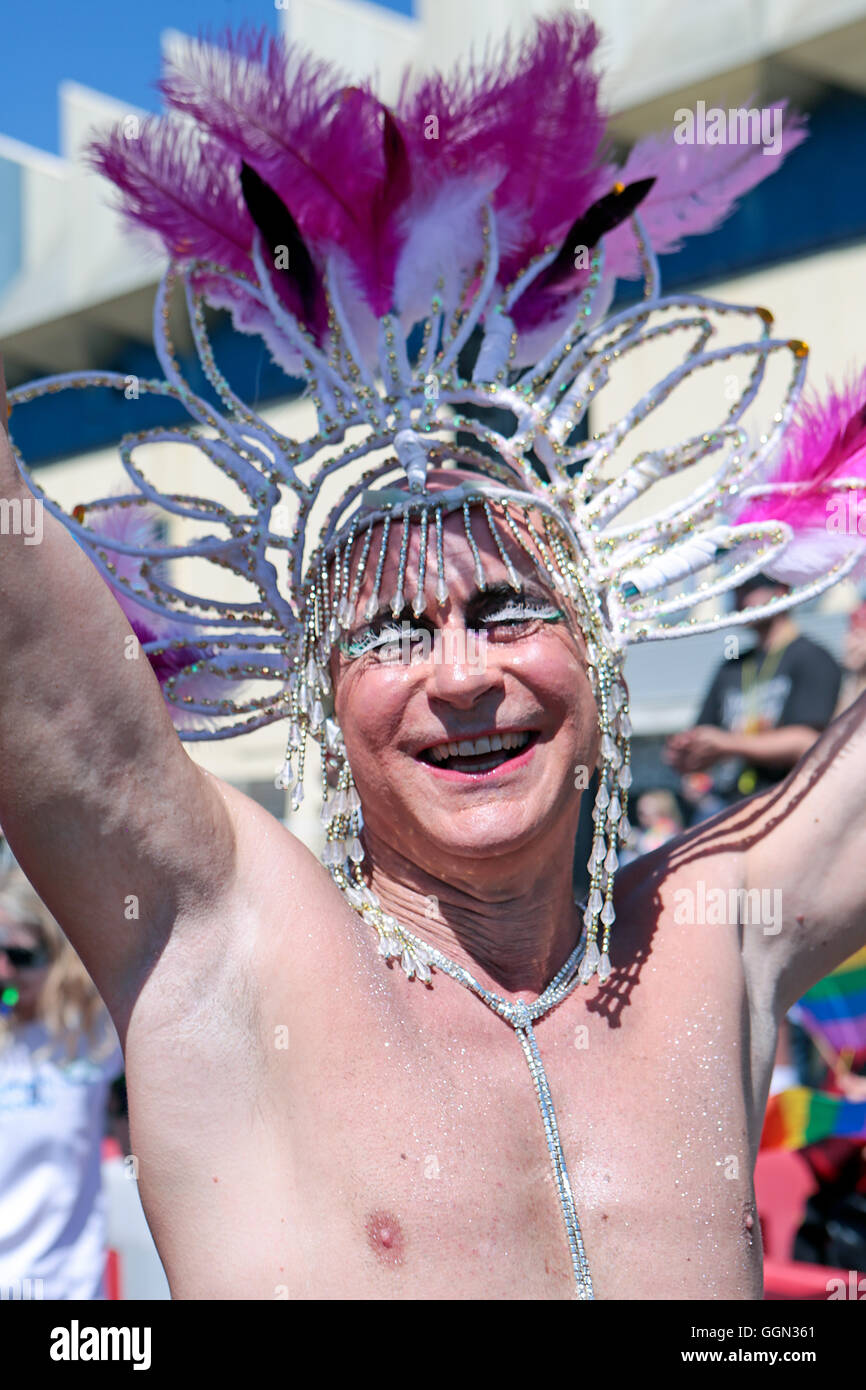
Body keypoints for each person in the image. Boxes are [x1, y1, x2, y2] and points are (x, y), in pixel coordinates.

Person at [2, 16, 866, 1301]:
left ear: (598, 660)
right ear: (319, 702)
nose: (462, 676)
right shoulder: (226, 948)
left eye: (511, 610)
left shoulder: (703, 941)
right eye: (392, 634)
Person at [0, 864, 123, 1299]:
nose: (5, 973)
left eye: (22, 957)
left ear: (56, 956)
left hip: (70, 1299)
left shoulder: (91, 1036)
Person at [664, 574, 841, 808]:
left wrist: (726, 743)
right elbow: (707, 735)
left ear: (781, 590)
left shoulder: (813, 657)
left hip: (793, 807)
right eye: (735, 591)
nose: (739, 600)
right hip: (733, 806)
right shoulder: (733, 664)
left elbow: (808, 742)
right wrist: (686, 753)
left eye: (748, 590)